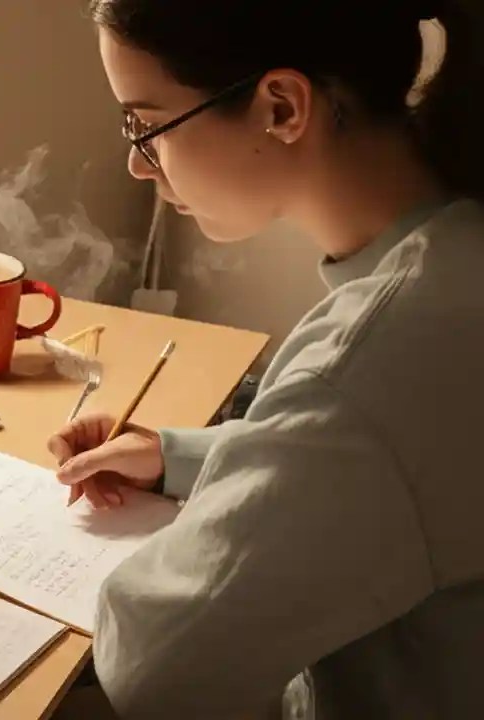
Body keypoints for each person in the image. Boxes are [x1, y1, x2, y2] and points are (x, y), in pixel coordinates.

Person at [48, 1, 484, 718]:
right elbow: (394, 455)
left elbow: (157, 667)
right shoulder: (454, 240)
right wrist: (179, 456)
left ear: (281, 107)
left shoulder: (375, 358)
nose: (135, 162)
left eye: (146, 124)